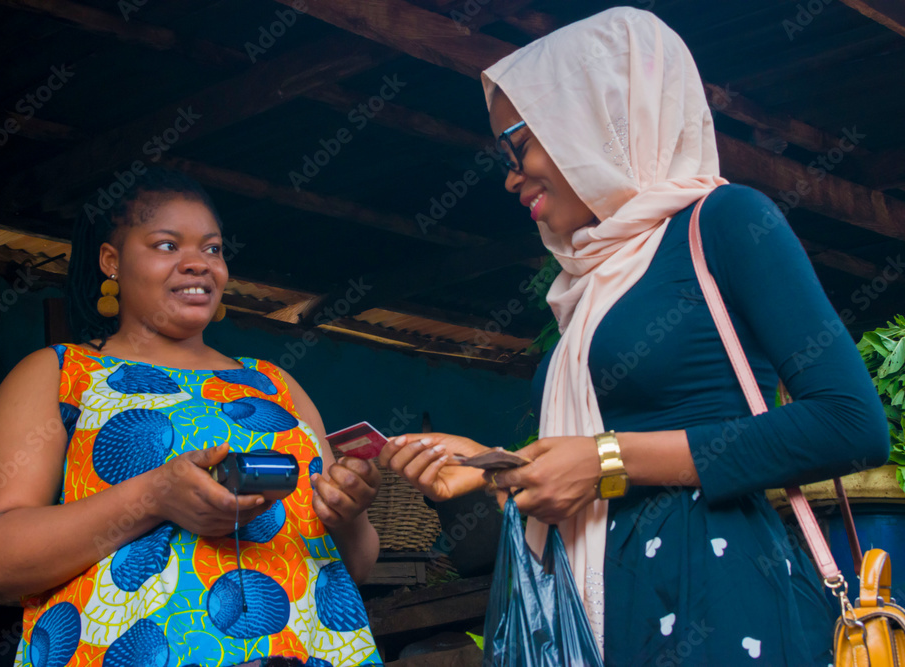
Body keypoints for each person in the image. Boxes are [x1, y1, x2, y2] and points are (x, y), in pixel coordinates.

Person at [379, 7, 890, 665]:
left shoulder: (727, 222)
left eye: (520, 144)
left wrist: (605, 460)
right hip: (593, 615)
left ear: (594, 115)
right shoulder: (589, 286)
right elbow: (596, 461)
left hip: (712, 599)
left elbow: (850, 424)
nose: (510, 175)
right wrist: (492, 464)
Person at [0, 167, 383, 666]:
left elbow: (352, 567)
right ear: (111, 261)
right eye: (167, 246)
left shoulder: (278, 385)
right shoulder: (61, 374)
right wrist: (154, 496)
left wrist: (350, 515)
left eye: (212, 249)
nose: (198, 265)